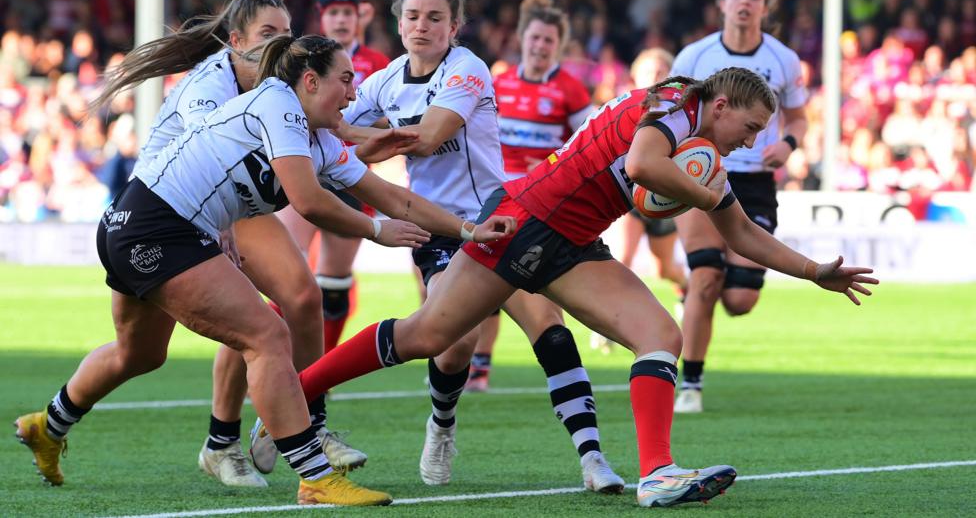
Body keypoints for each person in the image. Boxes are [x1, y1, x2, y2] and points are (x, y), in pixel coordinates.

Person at [297, 66, 878, 508]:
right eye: (749, 128)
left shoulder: (699, 146)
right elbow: (647, 166)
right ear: (720, 105)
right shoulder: (676, 105)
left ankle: (656, 475)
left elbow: (742, 233)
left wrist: (812, 272)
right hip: (528, 221)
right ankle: (294, 396)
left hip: (572, 240)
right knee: (428, 335)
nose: (750, 142)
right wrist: (704, 194)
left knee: (658, 333)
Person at [14, 34, 514, 506]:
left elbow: (396, 197)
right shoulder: (276, 100)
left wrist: (468, 230)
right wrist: (375, 232)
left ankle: (48, 425)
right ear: (310, 81)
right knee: (267, 335)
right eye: (345, 79)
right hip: (157, 226)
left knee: (139, 354)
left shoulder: (318, 144)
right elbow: (308, 201)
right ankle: (315, 476)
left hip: (141, 224)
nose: (354, 92)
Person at [336, 0, 624, 491]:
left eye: (434, 18)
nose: (422, 26)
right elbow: (331, 128)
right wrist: (366, 137)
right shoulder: (382, 82)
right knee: (454, 341)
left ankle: (593, 457)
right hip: (438, 229)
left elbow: (429, 136)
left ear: (454, 26)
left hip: (504, 217)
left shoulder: (466, 68)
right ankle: (442, 424)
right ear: (398, 23)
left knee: (549, 328)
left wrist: (372, 140)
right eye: (413, 17)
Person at [90, 0, 368, 487]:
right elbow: (210, 157)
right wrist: (220, 232)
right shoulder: (209, 87)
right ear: (235, 41)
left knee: (298, 299)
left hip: (222, 204)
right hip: (179, 207)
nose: (280, 42)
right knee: (240, 327)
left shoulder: (278, 86)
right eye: (267, 34)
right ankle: (231, 441)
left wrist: (365, 139)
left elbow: (329, 133)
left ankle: (302, 425)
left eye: (285, 32)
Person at [669, 0, 809, 414]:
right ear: (723, 3)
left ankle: (694, 297)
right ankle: (690, 382)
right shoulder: (695, 55)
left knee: (740, 299)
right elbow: (669, 110)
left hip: (755, 182)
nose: (745, 2)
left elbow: (800, 117)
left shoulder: (784, 59)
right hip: (698, 172)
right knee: (707, 276)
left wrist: (787, 143)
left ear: (765, 7)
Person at [466, 0, 596, 393]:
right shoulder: (499, 83)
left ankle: (555, 359)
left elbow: (587, 146)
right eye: (534, 38)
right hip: (501, 196)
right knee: (487, 274)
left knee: (544, 281)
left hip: (548, 200)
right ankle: (480, 367)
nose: (540, 46)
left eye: (548, 41)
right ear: (522, 39)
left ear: (559, 46)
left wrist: (552, 167)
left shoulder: (571, 90)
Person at [275, 0, 390, 371]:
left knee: (335, 285)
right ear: (322, 18)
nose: (341, 19)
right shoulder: (306, 59)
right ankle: (276, 362)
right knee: (284, 274)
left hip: (351, 178)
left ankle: (318, 371)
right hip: (305, 170)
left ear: (361, 18)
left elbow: (390, 122)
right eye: (334, 13)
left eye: (348, 12)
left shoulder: (379, 63)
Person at [598, 47, 687, 355]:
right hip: (630, 197)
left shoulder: (679, 112)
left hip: (663, 198)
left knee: (664, 269)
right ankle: (609, 323)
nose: (656, 77)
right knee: (622, 258)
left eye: (662, 71)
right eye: (650, 71)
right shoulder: (621, 108)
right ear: (635, 76)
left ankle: (685, 287)